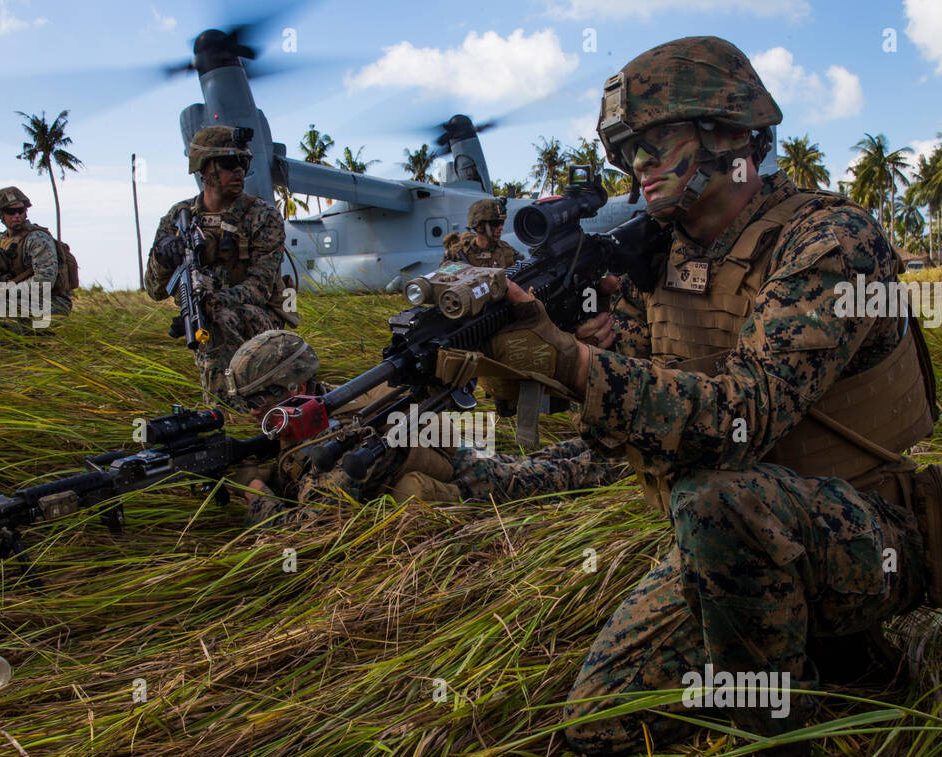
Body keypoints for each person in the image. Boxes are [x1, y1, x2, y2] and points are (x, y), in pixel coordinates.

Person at [484, 36, 940, 757]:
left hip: (869, 531)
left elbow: (746, 416)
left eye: (654, 142)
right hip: (740, 534)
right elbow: (628, 416)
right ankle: (828, 651)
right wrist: (531, 367)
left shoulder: (830, 242)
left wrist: (576, 362)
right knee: (598, 720)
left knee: (716, 498)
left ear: (730, 134)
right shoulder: (663, 254)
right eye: (624, 151)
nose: (638, 167)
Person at [224, 330, 624, 528]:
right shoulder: (329, 403)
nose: (250, 413)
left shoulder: (338, 445)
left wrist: (254, 490)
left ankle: (631, 454)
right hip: (461, 460)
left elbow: (305, 532)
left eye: (255, 402)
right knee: (538, 464)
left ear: (293, 389)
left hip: (472, 481)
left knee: (563, 476)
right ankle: (605, 442)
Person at [145, 126, 297, 406]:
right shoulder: (179, 218)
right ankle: (231, 407)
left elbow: (259, 288)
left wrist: (213, 301)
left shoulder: (262, 216)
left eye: (243, 163)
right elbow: (154, 290)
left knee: (216, 320)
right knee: (211, 322)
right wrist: (162, 256)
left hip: (259, 318)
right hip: (207, 313)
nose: (238, 171)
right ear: (204, 170)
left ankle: (225, 411)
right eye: (228, 164)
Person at [0, 186, 72, 328]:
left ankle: (13, 350)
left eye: (21, 210)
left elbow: (44, 281)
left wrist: (6, 292)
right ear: (1, 215)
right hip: (19, 300)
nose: (17, 215)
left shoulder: (37, 239)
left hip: (52, 301)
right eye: (11, 212)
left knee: (6, 311)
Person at [441, 198, 524, 269]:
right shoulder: (456, 254)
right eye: (495, 223)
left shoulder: (509, 252)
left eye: (502, 223)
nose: (500, 227)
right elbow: (441, 281)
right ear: (479, 227)